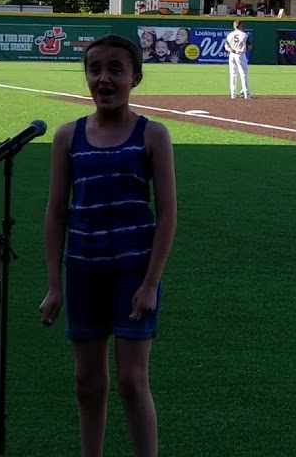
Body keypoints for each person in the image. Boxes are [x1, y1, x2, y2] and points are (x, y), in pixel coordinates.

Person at [38, 35, 178, 457]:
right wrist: (54, 285)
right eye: (94, 69)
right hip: (83, 270)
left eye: (116, 69)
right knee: (87, 383)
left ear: (136, 78)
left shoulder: (153, 135)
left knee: (132, 381)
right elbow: (56, 213)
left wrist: (150, 283)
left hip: (133, 274)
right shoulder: (68, 136)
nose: (103, 78)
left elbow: (167, 214)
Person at [225, 20, 252, 99]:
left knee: (233, 75)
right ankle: (246, 94)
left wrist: (233, 51)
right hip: (240, 54)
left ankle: (233, 94)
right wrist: (243, 50)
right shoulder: (244, 35)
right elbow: (249, 46)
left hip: (232, 55)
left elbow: (226, 47)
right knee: (243, 74)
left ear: (234, 26)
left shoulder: (229, 35)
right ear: (240, 26)